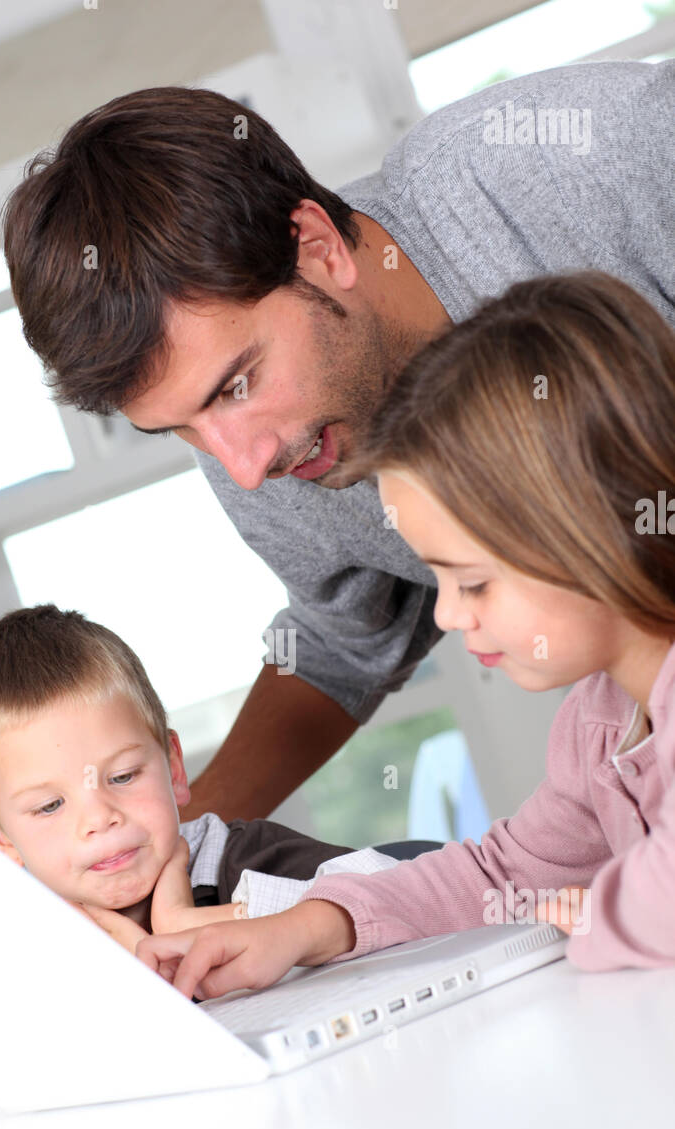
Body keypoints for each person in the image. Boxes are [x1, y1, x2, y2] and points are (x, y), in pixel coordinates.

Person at [0, 63, 675, 824]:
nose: (246, 468)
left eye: (235, 386)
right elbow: (343, 645)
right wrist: (176, 850)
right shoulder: (264, 448)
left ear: (319, 248)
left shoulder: (579, 160)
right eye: (180, 428)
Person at [134, 271, 675, 1002]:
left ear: (596, 528)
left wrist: (602, 914)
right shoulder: (600, 723)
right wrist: (310, 925)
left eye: (474, 581)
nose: (447, 616)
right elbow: (501, 875)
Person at [0, 602, 400, 1106]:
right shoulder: (30, 932)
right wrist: (109, 975)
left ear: (173, 768)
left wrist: (198, 923)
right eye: (50, 806)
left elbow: (395, 890)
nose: (99, 818)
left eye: (123, 777)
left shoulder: (233, 856)